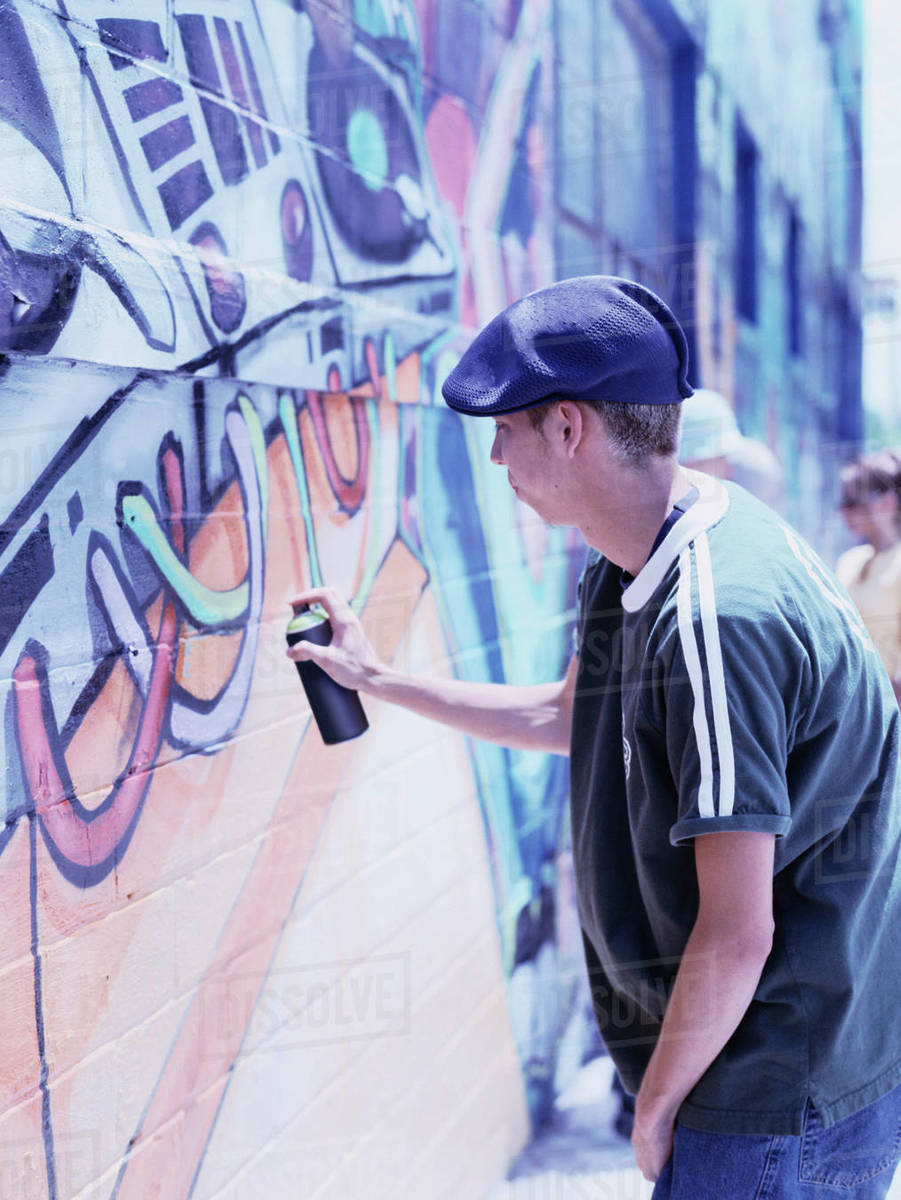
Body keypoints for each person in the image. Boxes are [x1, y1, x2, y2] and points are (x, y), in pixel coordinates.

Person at [286, 276, 901, 1196]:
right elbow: (570, 718)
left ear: (567, 428)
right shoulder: (635, 556)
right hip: (764, 1066)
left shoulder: (715, 616)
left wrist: (652, 1114)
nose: (494, 457)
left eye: (505, 428)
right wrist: (379, 681)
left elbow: (736, 935)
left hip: (776, 1092)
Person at [836, 450, 901, 705]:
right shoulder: (849, 561)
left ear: (887, 502)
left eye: (852, 501)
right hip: (853, 710)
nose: (843, 511)